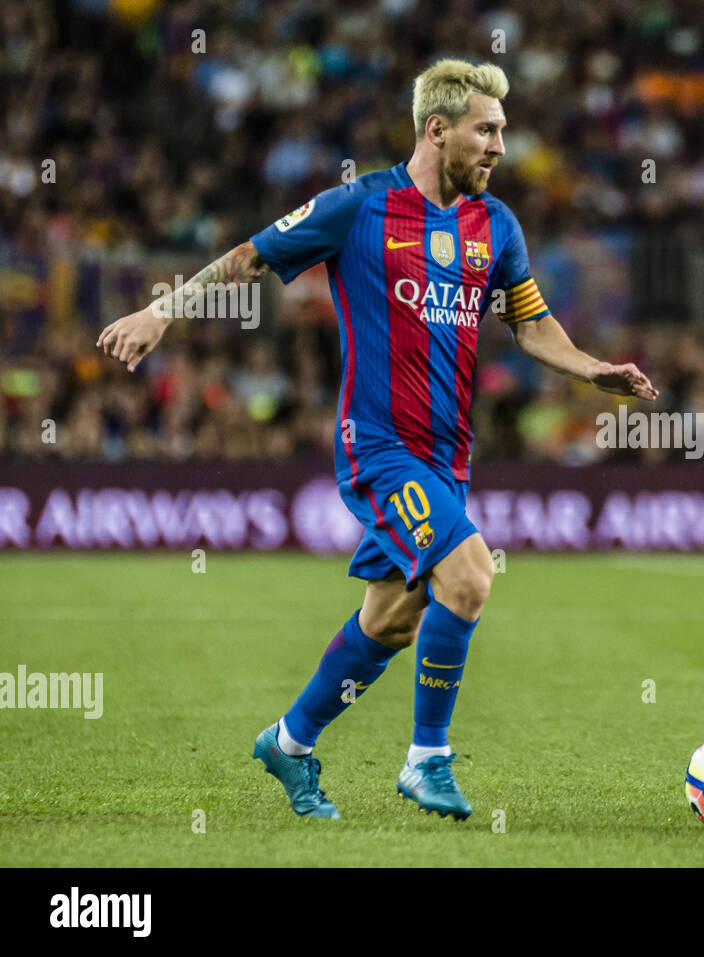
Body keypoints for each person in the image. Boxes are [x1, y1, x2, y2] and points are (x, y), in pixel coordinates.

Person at [97, 59, 658, 820]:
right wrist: (163, 311)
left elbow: (528, 321)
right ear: (438, 129)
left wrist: (592, 369)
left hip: (448, 456)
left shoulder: (495, 225)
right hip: (380, 445)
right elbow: (251, 254)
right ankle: (428, 760)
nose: (500, 145)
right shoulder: (357, 206)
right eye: (486, 130)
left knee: (393, 616)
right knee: (468, 574)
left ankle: (289, 743)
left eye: (503, 132)